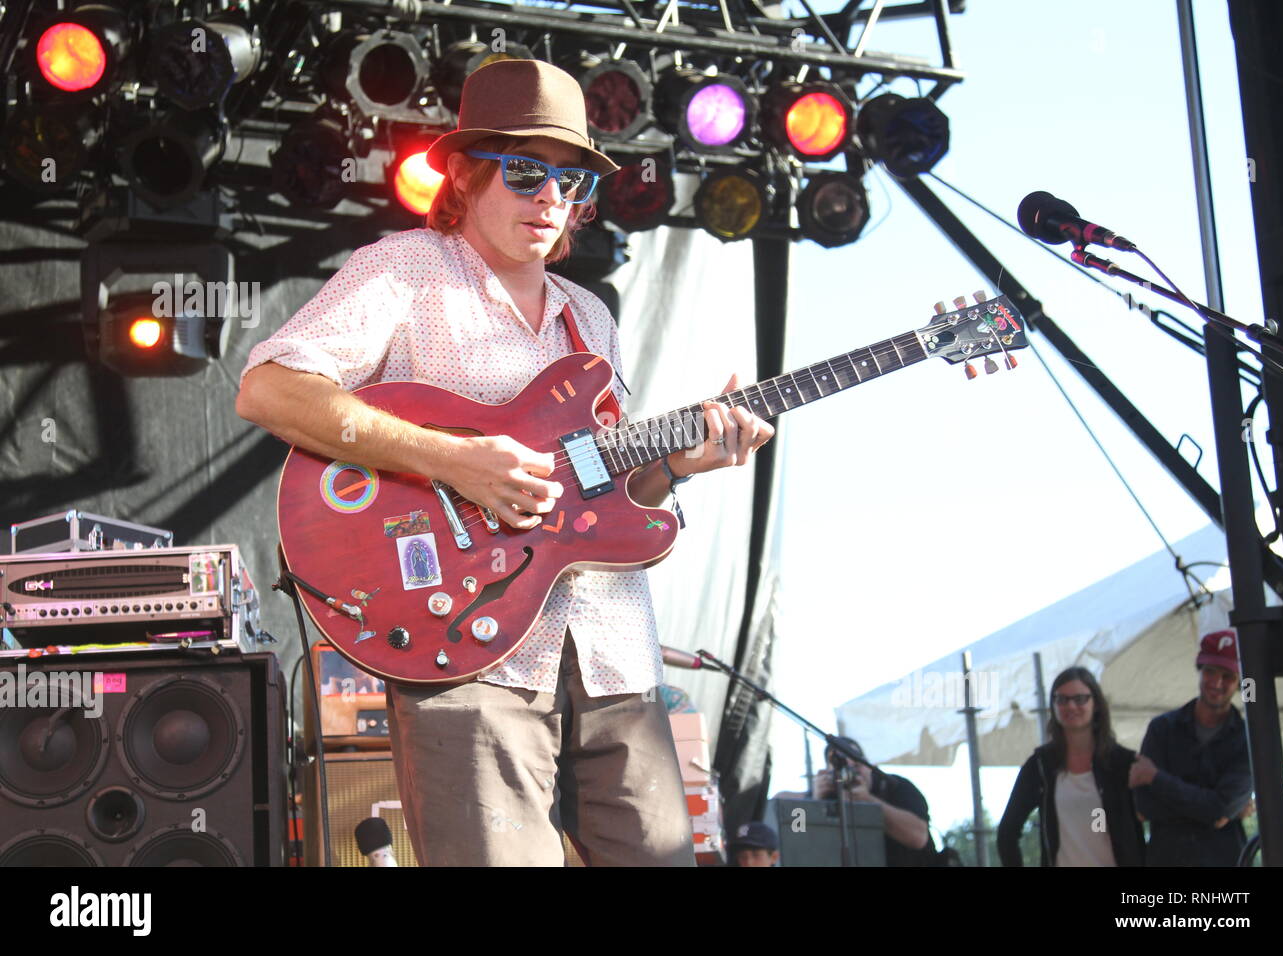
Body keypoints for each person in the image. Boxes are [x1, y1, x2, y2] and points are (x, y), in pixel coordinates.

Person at [236, 58, 774, 865]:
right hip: (467, 639)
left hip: (613, 650)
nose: (551, 199)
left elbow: (605, 491)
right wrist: (455, 461)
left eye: (571, 184)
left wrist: (682, 465)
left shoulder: (591, 315)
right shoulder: (408, 267)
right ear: (463, 171)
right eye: (527, 173)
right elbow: (269, 390)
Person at [1129, 629, 1253, 866]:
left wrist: (1156, 778)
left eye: (1227, 675)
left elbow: (1218, 809)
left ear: (1239, 682)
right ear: (1200, 670)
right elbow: (1144, 806)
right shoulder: (1161, 729)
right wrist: (1216, 809)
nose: (1216, 682)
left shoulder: (1248, 738)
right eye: (1210, 671)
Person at [997, 667, 1144, 867]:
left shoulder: (1124, 763)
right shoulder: (1040, 766)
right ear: (1053, 705)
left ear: (1097, 704)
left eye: (1080, 698)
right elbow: (1007, 833)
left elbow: (1157, 821)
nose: (1071, 706)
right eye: (1062, 700)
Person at [777, 737, 934, 866]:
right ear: (826, 773)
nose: (850, 776)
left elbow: (918, 838)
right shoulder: (818, 797)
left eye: (857, 766)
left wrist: (869, 802)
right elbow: (793, 841)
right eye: (841, 771)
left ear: (869, 766)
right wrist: (813, 803)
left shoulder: (894, 786)